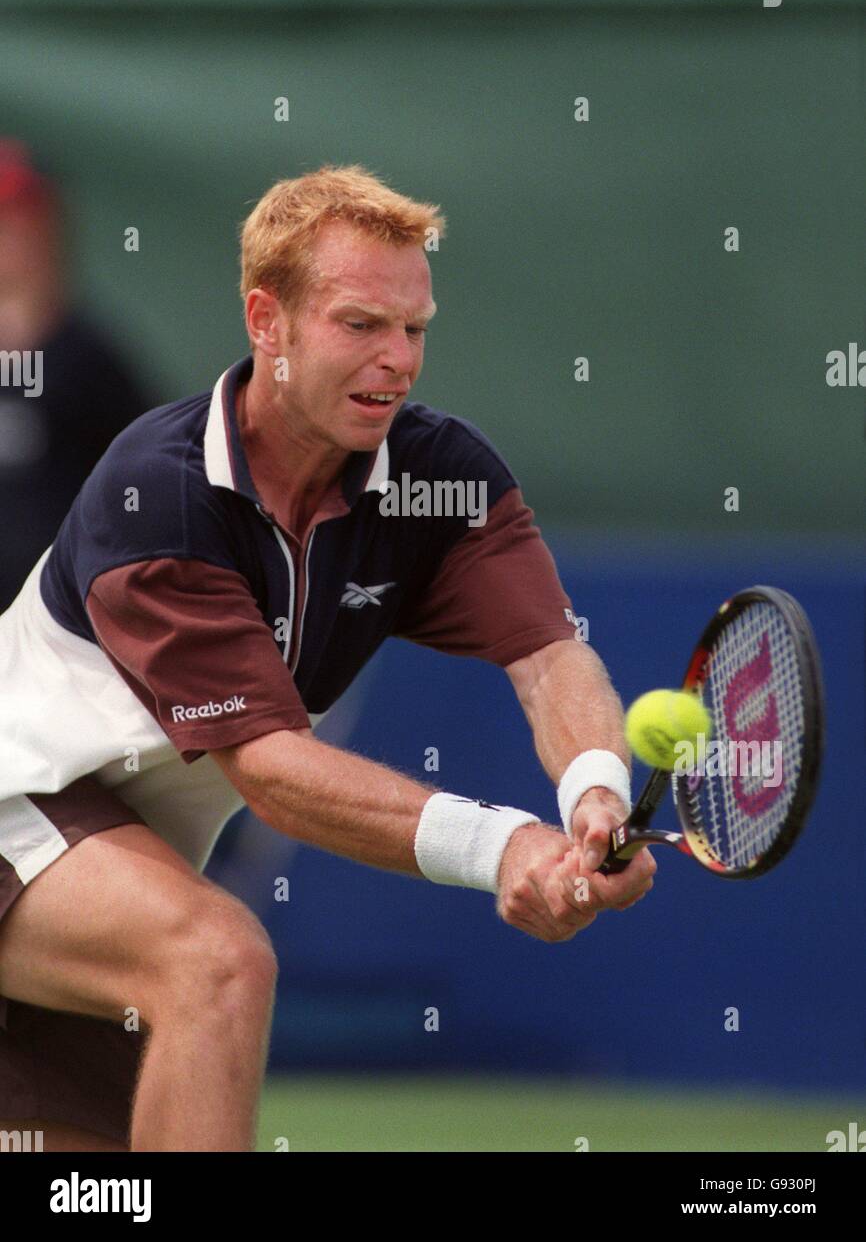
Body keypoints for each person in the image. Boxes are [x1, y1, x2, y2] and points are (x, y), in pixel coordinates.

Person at [0, 164, 655, 1152]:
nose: (397, 360)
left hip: (115, 860)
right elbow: (269, 773)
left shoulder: (442, 479)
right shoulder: (162, 496)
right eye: (360, 324)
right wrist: (500, 847)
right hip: (19, 806)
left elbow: (547, 656)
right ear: (267, 321)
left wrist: (593, 796)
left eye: (415, 328)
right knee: (219, 959)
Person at [0, 140, 151, 610]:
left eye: (20, 224)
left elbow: (146, 493)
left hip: (58, 629)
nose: (11, 240)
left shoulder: (91, 362)